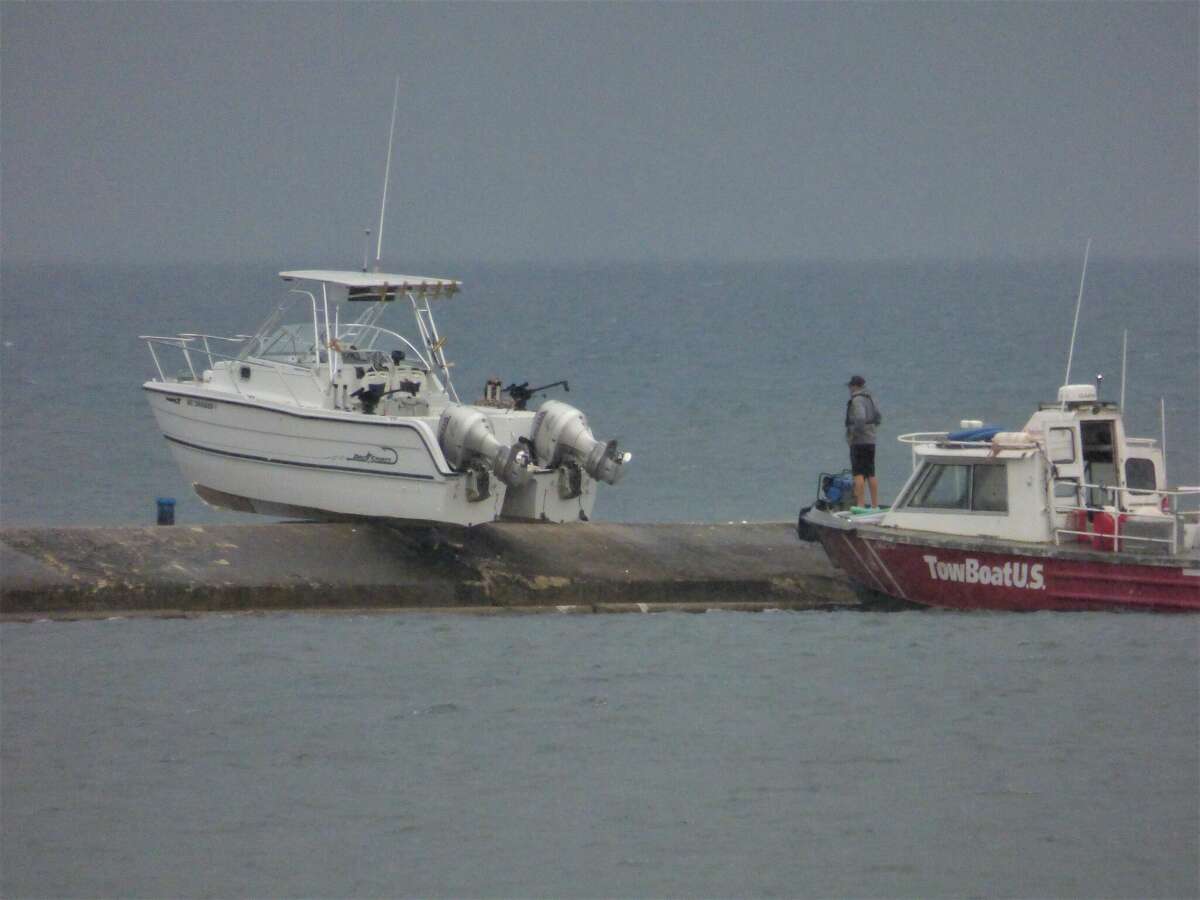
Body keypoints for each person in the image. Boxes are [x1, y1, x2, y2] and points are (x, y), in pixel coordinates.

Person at [844, 374, 881, 508]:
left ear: (854, 386)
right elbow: (878, 417)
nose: (849, 389)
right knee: (871, 472)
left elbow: (859, 419)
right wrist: (871, 431)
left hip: (859, 441)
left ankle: (860, 504)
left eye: (850, 386)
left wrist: (853, 435)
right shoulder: (870, 398)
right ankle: (875, 504)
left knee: (858, 473)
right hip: (871, 440)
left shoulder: (857, 400)